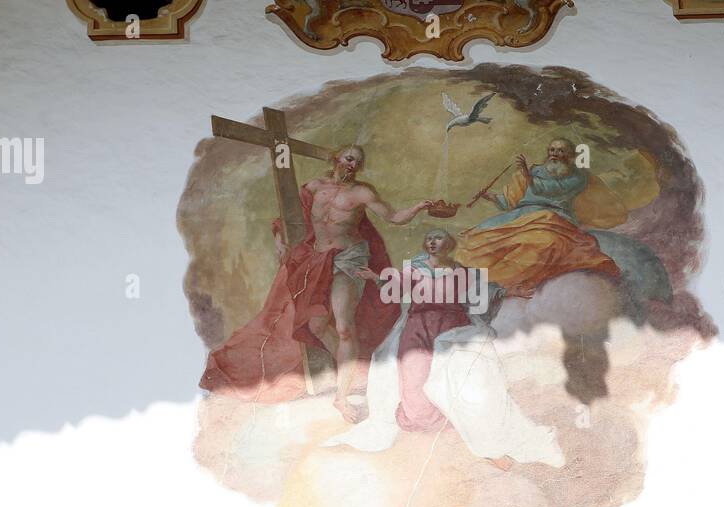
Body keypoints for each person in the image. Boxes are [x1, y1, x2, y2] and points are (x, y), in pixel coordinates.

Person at [199, 145, 432, 422]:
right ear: (336, 159)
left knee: (344, 327)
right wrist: (279, 239)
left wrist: (418, 207)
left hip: (349, 258)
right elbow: (288, 217)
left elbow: (393, 216)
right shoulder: (314, 187)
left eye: (357, 162)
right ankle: (355, 374)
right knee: (317, 325)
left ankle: (342, 398)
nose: (352, 165)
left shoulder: (361, 192)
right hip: (319, 258)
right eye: (348, 159)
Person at [325, 230, 565, 470]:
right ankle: (456, 428)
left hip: (453, 329)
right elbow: (395, 289)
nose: (432, 241)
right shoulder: (415, 268)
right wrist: (376, 277)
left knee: (466, 387)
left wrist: (509, 291)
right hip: (417, 330)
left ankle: (488, 445)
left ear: (448, 244)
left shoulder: (463, 272)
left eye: (438, 237)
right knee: (414, 395)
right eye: (429, 237)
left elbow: (485, 294)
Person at [456, 137, 627, 298]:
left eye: (560, 151)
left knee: (546, 241)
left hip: (553, 216)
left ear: (570, 155)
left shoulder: (577, 176)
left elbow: (552, 189)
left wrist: (528, 176)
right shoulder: (535, 171)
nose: (554, 154)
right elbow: (512, 201)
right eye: (552, 150)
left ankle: (516, 284)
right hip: (521, 214)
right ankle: (490, 286)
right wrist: (491, 197)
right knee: (478, 239)